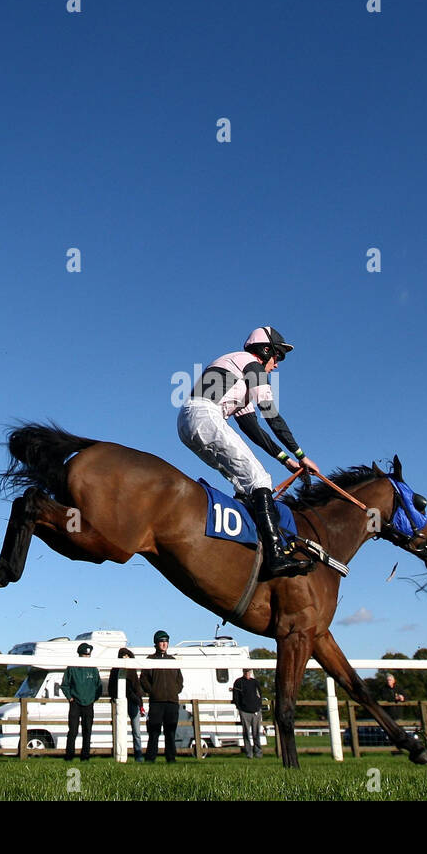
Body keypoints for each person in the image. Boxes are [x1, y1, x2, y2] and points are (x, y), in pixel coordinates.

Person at [178, 326, 321, 579]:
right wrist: (300, 455)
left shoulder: (237, 369)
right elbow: (271, 414)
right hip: (206, 416)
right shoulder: (251, 364)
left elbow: (252, 428)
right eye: (278, 356)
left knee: (246, 488)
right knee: (260, 481)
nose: (276, 365)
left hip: (189, 422)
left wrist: (285, 460)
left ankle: (241, 551)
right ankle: (276, 557)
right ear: (265, 351)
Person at [140, 629, 183, 763]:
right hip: (156, 702)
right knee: (154, 731)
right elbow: (144, 679)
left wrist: (175, 690)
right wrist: (152, 691)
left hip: (172, 701)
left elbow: (179, 680)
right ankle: (150, 758)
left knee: (170, 731)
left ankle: (171, 758)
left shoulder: (173, 660)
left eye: (166, 642)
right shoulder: (150, 660)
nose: (164, 644)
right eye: (161, 641)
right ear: (156, 643)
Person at [62, 643, 101, 761]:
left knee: (87, 731)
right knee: (73, 730)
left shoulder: (93, 669)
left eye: (88, 655)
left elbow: (98, 686)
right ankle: (69, 756)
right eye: (84, 655)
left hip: (88, 704)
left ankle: (85, 756)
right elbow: (65, 685)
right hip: (75, 704)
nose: (86, 657)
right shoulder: (72, 668)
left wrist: (93, 698)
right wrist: (70, 698)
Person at [108, 646, 145, 762]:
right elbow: (111, 687)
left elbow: (137, 687)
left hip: (133, 702)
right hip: (121, 702)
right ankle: (120, 754)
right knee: (120, 730)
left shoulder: (132, 669)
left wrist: (141, 704)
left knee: (136, 731)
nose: (125, 658)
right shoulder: (115, 670)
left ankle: (138, 756)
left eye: (127, 655)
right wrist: (115, 697)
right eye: (123, 656)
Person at [231, 667, 263, 758]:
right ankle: (249, 753)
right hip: (245, 712)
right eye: (245, 671)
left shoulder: (255, 682)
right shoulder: (238, 682)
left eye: (248, 671)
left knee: (256, 733)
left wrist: (258, 706)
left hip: (256, 711)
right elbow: (236, 696)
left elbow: (259, 695)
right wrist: (239, 708)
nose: (247, 673)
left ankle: (258, 753)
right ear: (243, 672)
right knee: (246, 733)